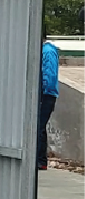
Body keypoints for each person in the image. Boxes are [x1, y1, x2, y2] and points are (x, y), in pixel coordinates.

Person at [38, 33, 59, 170]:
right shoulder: (46, 51)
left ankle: (40, 160)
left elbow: (49, 75)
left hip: (46, 95)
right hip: (46, 94)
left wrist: (43, 92)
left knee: (38, 127)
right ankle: (41, 160)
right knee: (40, 128)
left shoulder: (47, 51)